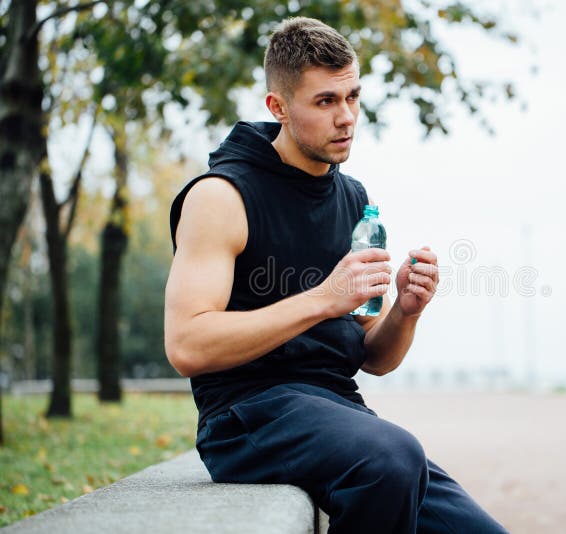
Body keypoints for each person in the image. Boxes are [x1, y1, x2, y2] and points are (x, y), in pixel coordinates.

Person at [164, 16, 508, 534]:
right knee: (393, 457)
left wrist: (407, 313)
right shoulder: (220, 197)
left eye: (353, 97)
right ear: (277, 107)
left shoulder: (355, 201)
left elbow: (376, 356)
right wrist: (324, 299)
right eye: (326, 101)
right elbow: (187, 345)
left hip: (338, 411)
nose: (346, 117)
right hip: (245, 417)